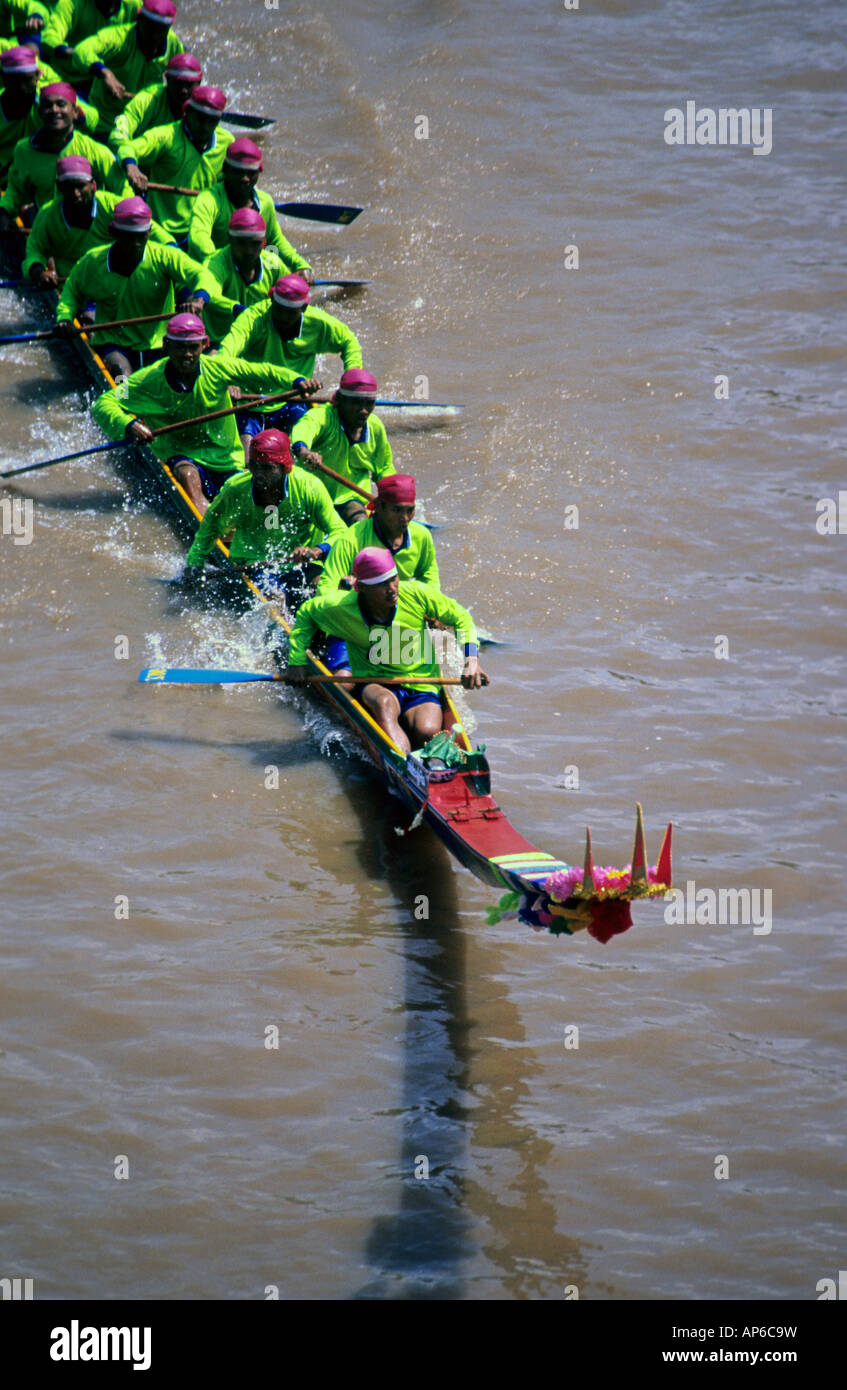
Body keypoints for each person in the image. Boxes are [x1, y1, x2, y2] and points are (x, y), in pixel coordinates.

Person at [91, 311, 322, 514]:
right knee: (190, 478)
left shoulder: (218, 368)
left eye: (193, 347)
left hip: (224, 455)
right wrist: (130, 425)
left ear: (204, 345)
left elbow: (262, 371)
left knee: (259, 498)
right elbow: (104, 403)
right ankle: (211, 534)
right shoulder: (147, 380)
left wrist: (296, 380)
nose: (187, 355)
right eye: (180, 347)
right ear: (166, 345)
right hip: (180, 453)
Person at [286, 547, 486, 753]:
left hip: (422, 682)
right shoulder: (340, 607)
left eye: (393, 578)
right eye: (381, 584)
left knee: (427, 732)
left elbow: (461, 617)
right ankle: (404, 763)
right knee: (384, 703)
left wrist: (472, 660)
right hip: (373, 681)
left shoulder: (416, 593)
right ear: (360, 587)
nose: (392, 588)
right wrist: (297, 660)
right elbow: (306, 614)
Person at [55, 195, 220, 376]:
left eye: (141, 237)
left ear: (149, 232)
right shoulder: (93, 260)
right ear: (112, 232)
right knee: (121, 374)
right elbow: (71, 291)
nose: (135, 245)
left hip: (159, 343)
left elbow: (203, 275)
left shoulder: (164, 256)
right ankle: (121, 398)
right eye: (128, 237)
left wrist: (199, 299)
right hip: (114, 343)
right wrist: (65, 318)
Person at [183, 427, 345, 604]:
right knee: (275, 598)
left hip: (302, 563)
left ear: (286, 468)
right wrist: (195, 563)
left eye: (267, 468)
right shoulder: (235, 488)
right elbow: (210, 527)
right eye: (254, 466)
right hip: (254, 563)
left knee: (321, 589)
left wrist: (317, 550)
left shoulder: (310, 487)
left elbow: (341, 532)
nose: (259, 475)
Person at [221, 272, 362, 449]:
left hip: (292, 402)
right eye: (278, 309)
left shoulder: (319, 323)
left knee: (302, 448)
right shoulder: (254, 318)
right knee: (248, 462)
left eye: (289, 313)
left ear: (303, 308)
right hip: (248, 402)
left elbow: (350, 343)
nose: (282, 317)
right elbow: (227, 350)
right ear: (271, 301)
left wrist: (351, 386)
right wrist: (225, 380)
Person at [22, 153, 170, 286]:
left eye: (80, 186)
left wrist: (171, 250)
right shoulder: (48, 214)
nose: (75, 194)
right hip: (72, 283)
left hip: (112, 278)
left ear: (93, 186)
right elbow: (35, 249)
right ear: (59, 187)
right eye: (68, 187)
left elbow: (151, 230)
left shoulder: (113, 206)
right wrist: (38, 272)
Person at [118, 82, 232, 244]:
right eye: (200, 118)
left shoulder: (227, 142)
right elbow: (126, 148)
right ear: (186, 112)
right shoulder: (166, 135)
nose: (205, 127)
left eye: (212, 121)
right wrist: (132, 168)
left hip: (199, 231)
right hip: (161, 231)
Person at [0, 80, 126, 225]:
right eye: (47, 106)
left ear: (75, 112)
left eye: (61, 105)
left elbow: (123, 187)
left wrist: (123, 218)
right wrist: (4, 210)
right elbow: (16, 191)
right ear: (40, 113)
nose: (54, 110)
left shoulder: (95, 151)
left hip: (90, 235)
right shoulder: (24, 150)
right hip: (48, 232)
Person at [186, 136, 312, 280]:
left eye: (251, 173)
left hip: (246, 272)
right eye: (238, 172)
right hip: (213, 272)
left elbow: (274, 242)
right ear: (226, 169)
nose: (245, 178)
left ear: (260, 171)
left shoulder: (265, 203)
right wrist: (220, 265)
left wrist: (298, 265)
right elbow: (198, 236)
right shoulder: (208, 199)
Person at [291, 368, 393, 526]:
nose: (364, 411)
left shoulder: (376, 427)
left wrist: (392, 498)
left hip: (350, 498)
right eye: (356, 403)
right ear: (340, 400)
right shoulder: (321, 416)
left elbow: (385, 468)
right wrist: (304, 453)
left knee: (359, 521)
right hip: (313, 495)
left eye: (369, 403)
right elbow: (301, 433)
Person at [69, 0, 183, 138]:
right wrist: (105, 73)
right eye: (150, 27)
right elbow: (81, 50)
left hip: (144, 123)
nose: (154, 36)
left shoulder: (174, 44)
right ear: (139, 19)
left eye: (160, 30)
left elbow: (182, 79)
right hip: (106, 122)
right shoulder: (118, 38)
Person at [318, 474, 438, 595]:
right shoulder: (350, 540)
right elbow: (325, 591)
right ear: (379, 507)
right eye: (397, 510)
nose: (405, 518)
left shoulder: (422, 536)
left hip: (398, 603)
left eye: (410, 510)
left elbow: (430, 582)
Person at [0, 44, 98, 174]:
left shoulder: (51, 98)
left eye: (27, 80)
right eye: (15, 81)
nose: (22, 87)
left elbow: (93, 118)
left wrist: (79, 117)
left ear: (37, 75)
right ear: (4, 79)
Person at [200, 208, 284, 344]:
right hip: (221, 341)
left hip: (257, 339)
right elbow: (209, 294)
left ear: (264, 243)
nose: (248, 251)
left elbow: (289, 292)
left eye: (255, 244)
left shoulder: (272, 262)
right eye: (241, 243)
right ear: (229, 239)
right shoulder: (214, 262)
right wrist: (235, 308)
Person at [109, 48, 200, 152]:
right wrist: (128, 156)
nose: (183, 91)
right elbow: (121, 128)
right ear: (167, 80)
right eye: (178, 83)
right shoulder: (148, 99)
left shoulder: (204, 111)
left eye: (189, 84)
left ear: (199, 83)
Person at [43, 0, 143, 80]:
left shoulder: (132, 5)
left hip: (102, 81)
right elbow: (49, 36)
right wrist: (78, 54)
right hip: (64, 76)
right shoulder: (72, 3)